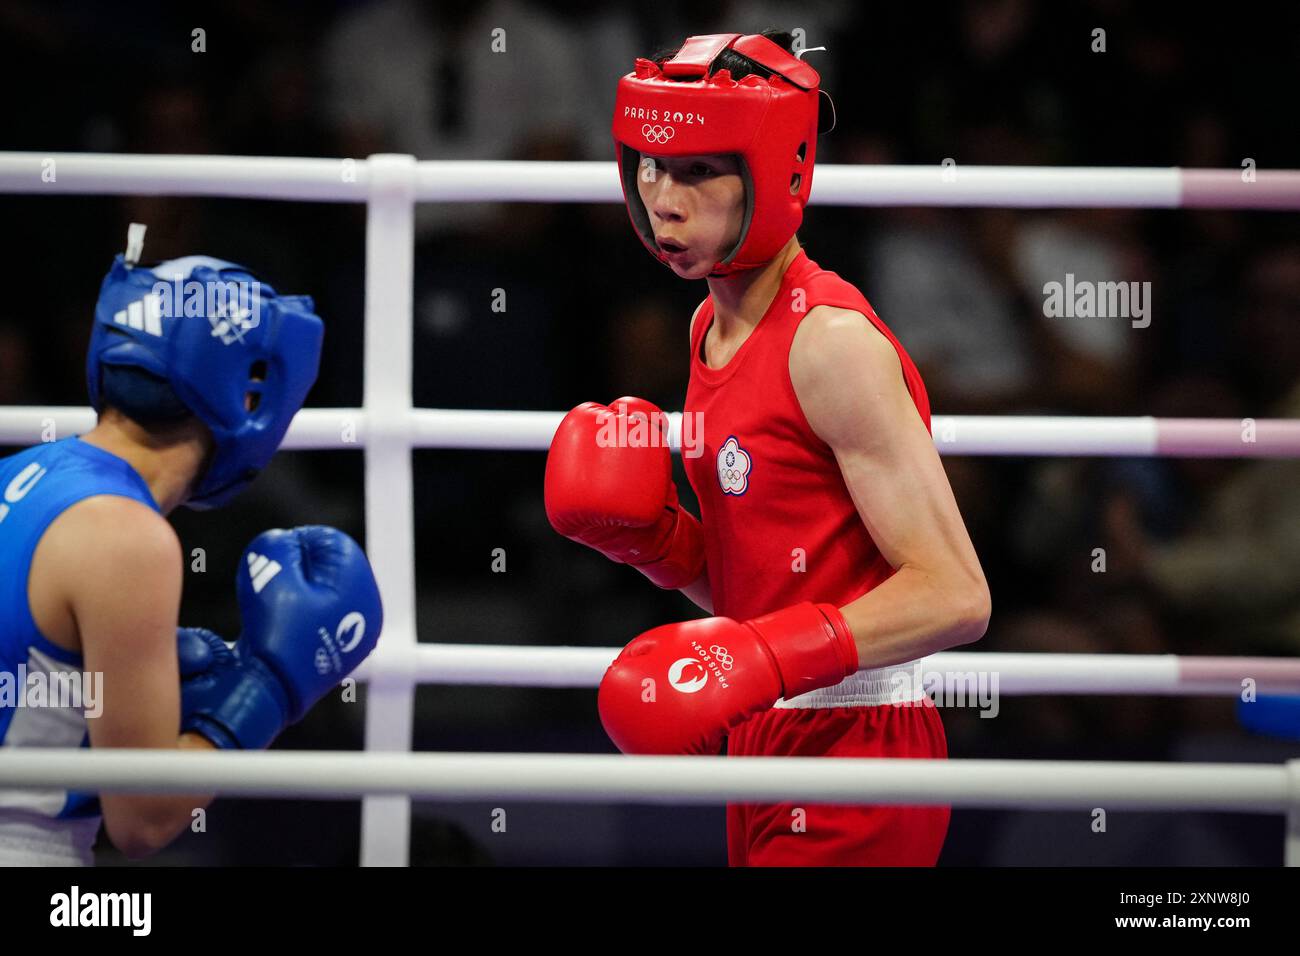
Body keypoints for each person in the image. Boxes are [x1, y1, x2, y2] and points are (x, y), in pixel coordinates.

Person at [546, 32, 991, 865]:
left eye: (697, 170)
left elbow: (957, 595)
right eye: (649, 165)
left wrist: (759, 656)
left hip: (858, 741)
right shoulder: (706, 327)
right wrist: (657, 545)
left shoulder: (829, 343)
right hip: (767, 732)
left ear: (777, 172)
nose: (662, 199)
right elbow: (759, 589)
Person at [0, 225, 383, 865]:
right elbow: (144, 819)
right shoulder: (128, 537)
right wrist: (266, 684)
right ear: (251, 397)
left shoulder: (19, 475)